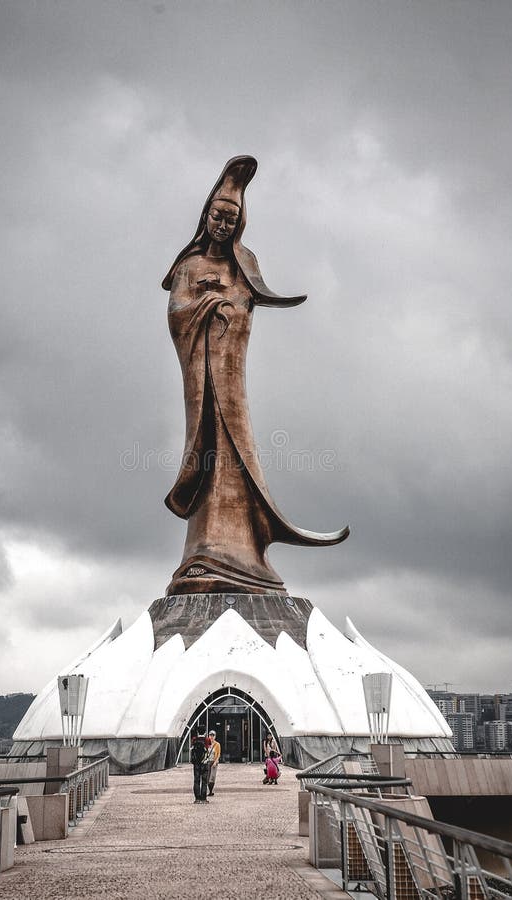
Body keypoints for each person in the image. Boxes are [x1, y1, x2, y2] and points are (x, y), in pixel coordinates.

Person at [162, 156, 349, 597]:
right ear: (205, 217)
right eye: (217, 216)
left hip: (229, 377)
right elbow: (176, 316)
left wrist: (227, 307)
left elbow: (247, 307)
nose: (223, 224)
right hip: (203, 380)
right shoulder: (187, 267)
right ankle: (205, 550)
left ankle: (241, 552)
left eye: (231, 219)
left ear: (238, 223)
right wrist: (200, 306)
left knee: (235, 453)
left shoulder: (243, 265)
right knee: (209, 452)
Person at [190, 724, 210, 804]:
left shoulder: (194, 739)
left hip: (196, 763)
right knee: (204, 781)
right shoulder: (207, 740)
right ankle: (204, 798)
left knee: (196, 780)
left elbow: (192, 749)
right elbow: (209, 750)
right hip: (204, 763)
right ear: (205, 732)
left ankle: (197, 798)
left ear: (198, 732)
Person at [207, 729, 221, 796]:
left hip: (213, 762)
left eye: (213, 735)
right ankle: (209, 790)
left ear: (215, 736)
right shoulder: (206, 744)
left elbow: (218, 754)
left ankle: (210, 791)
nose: (211, 736)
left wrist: (215, 762)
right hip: (207, 762)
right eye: (210, 735)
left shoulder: (217, 744)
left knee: (212, 777)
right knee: (207, 776)